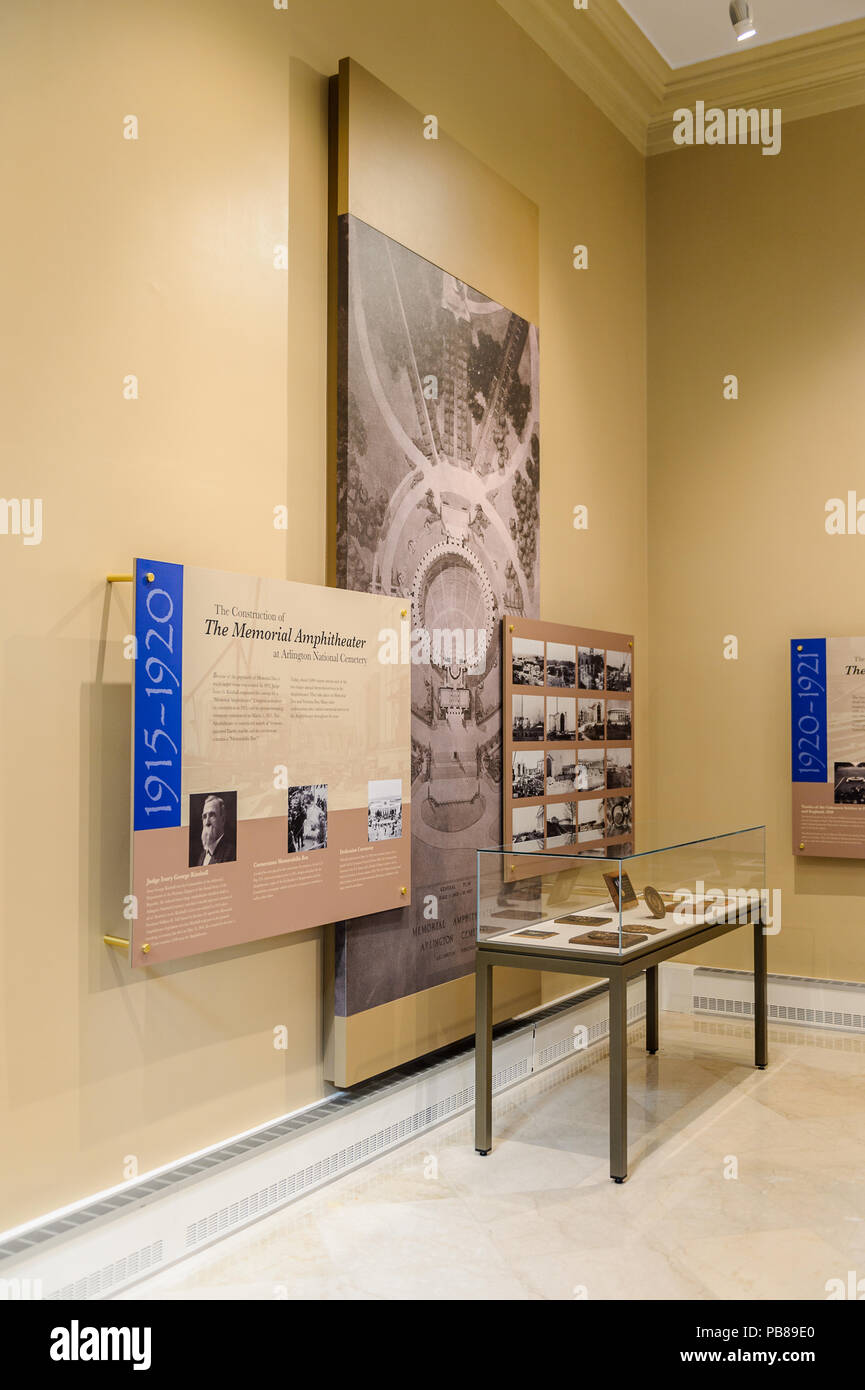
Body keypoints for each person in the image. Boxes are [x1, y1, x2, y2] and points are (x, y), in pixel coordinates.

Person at [197, 795, 236, 866]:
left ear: (223, 820)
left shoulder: (232, 854)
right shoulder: (202, 855)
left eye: (212, 815)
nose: (207, 822)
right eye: (204, 817)